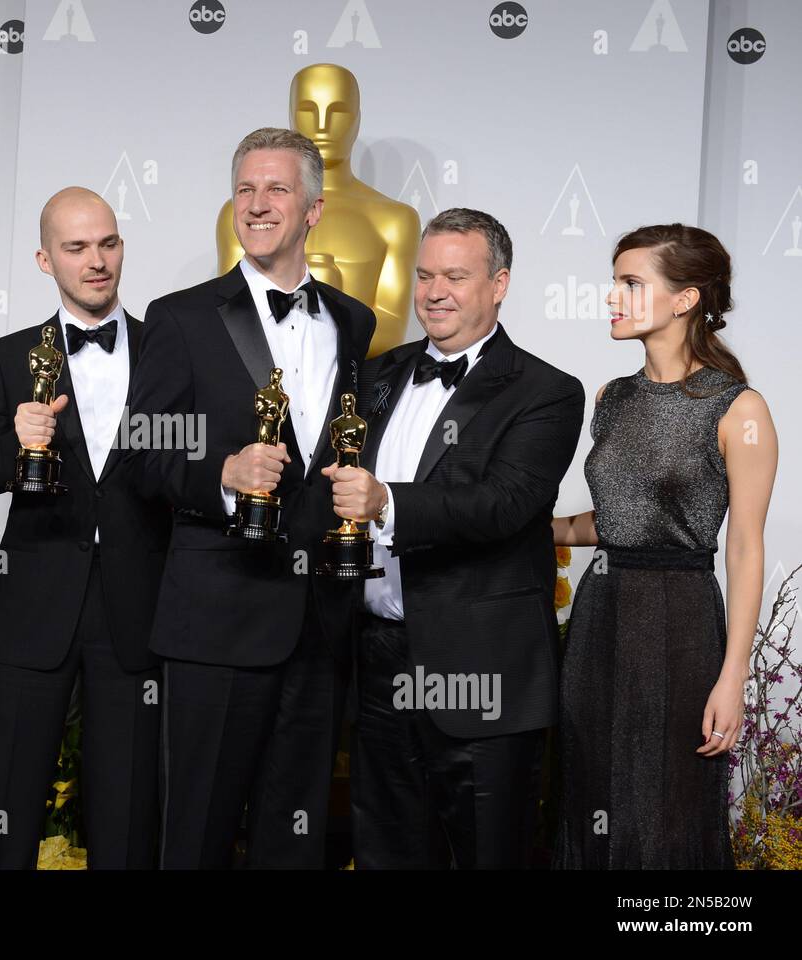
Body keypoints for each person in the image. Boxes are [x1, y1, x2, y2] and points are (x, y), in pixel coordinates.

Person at [127, 128, 375, 868]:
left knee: (294, 838)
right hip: (216, 618)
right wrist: (222, 476)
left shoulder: (353, 321)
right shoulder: (181, 316)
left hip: (319, 622)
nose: (258, 205)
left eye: (277, 190)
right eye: (245, 189)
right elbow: (141, 448)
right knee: (196, 833)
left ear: (314, 208)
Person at [343, 207, 584, 869]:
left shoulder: (547, 391)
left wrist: (386, 501)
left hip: (484, 671)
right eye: (424, 276)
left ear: (499, 284)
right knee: (387, 848)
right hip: (378, 658)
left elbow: (504, 504)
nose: (434, 292)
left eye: (455, 276)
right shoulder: (376, 377)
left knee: (486, 853)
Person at [553, 223, 777, 869]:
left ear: (684, 298)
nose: (612, 298)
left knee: (666, 803)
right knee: (591, 792)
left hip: (678, 623)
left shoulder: (740, 409)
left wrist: (733, 677)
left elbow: (744, 549)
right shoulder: (611, 399)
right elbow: (619, 518)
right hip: (600, 616)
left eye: (631, 283)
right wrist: (529, 526)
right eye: (614, 282)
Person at [0, 187, 168, 869]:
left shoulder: (172, 353)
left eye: (107, 244)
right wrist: (13, 446)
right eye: (77, 248)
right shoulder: (6, 355)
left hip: (139, 609)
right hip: (32, 606)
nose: (96, 261)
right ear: (46, 260)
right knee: (4, 812)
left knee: (129, 818)